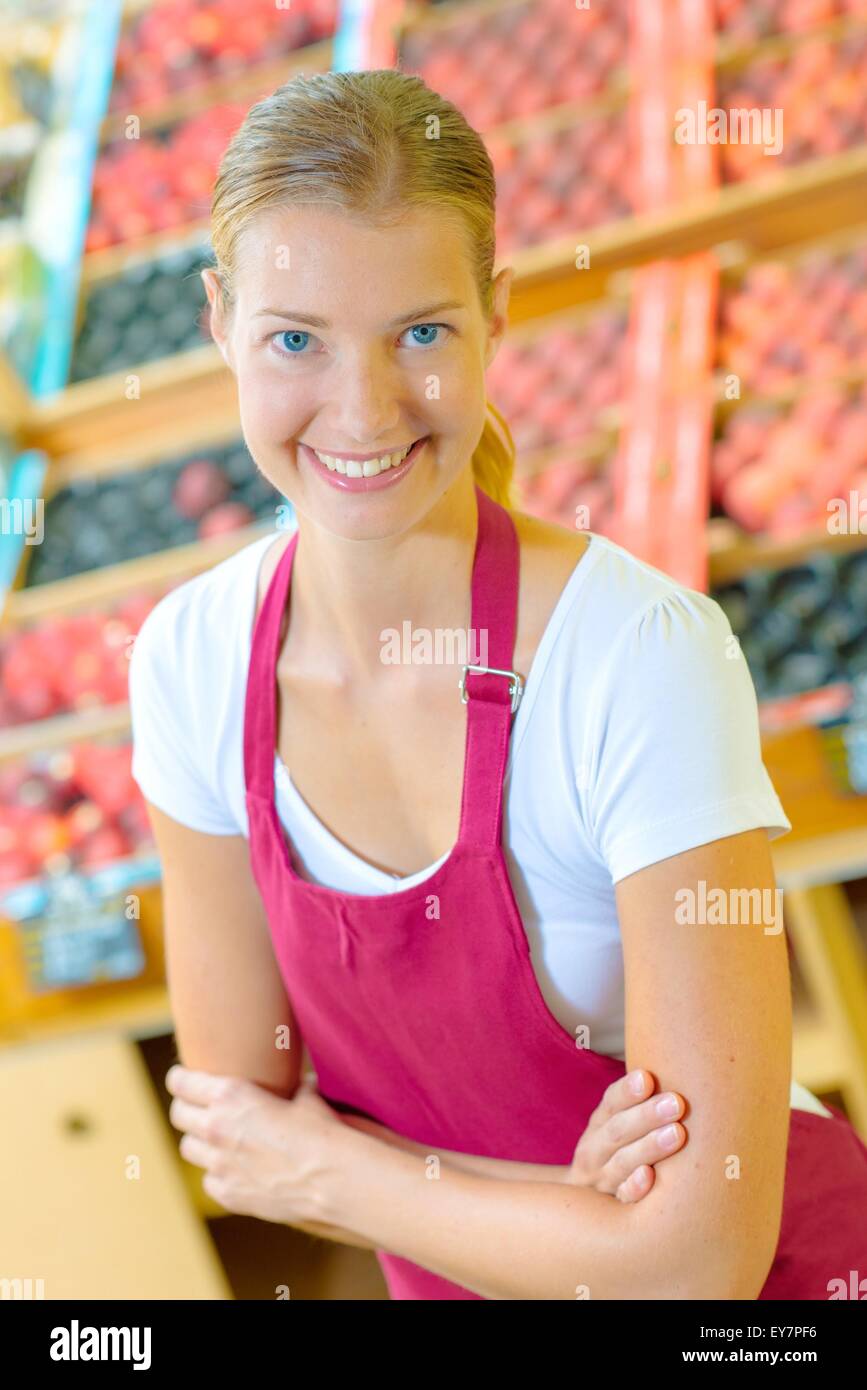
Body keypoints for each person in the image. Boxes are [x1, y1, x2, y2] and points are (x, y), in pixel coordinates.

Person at [130, 69, 867, 1300]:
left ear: (495, 318)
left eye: (421, 332)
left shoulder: (637, 659)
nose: (361, 411)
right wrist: (571, 1212)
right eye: (295, 339)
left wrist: (348, 1175)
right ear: (219, 322)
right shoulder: (191, 667)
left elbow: (698, 1268)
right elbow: (238, 1139)